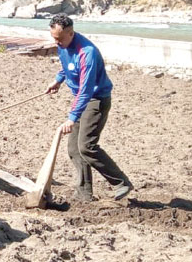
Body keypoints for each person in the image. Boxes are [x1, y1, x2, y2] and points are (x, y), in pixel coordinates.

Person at [45, 14, 132, 202]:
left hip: (96, 99)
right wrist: (58, 81)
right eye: (54, 38)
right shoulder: (63, 45)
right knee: (74, 149)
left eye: (59, 38)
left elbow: (86, 90)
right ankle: (84, 193)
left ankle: (121, 182)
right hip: (81, 99)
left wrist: (71, 118)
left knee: (87, 146)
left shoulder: (87, 52)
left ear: (71, 33)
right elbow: (67, 66)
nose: (56, 42)